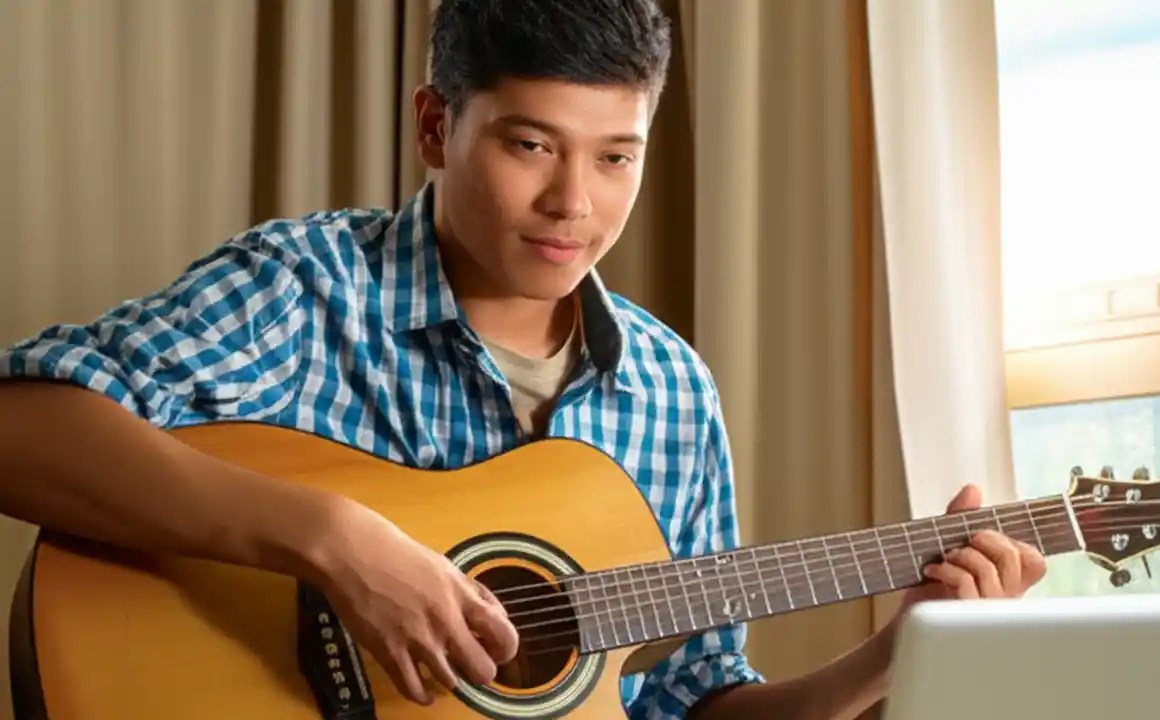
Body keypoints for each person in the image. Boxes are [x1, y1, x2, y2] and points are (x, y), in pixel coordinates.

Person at [0, 1, 1046, 718]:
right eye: (530, 144)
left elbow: (690, 703)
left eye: (616, 156)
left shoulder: (671, 391)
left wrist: (892, 659)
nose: (573, 203)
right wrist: (331, 540)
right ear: (435, 127)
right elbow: (18, 426)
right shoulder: (305, 288)